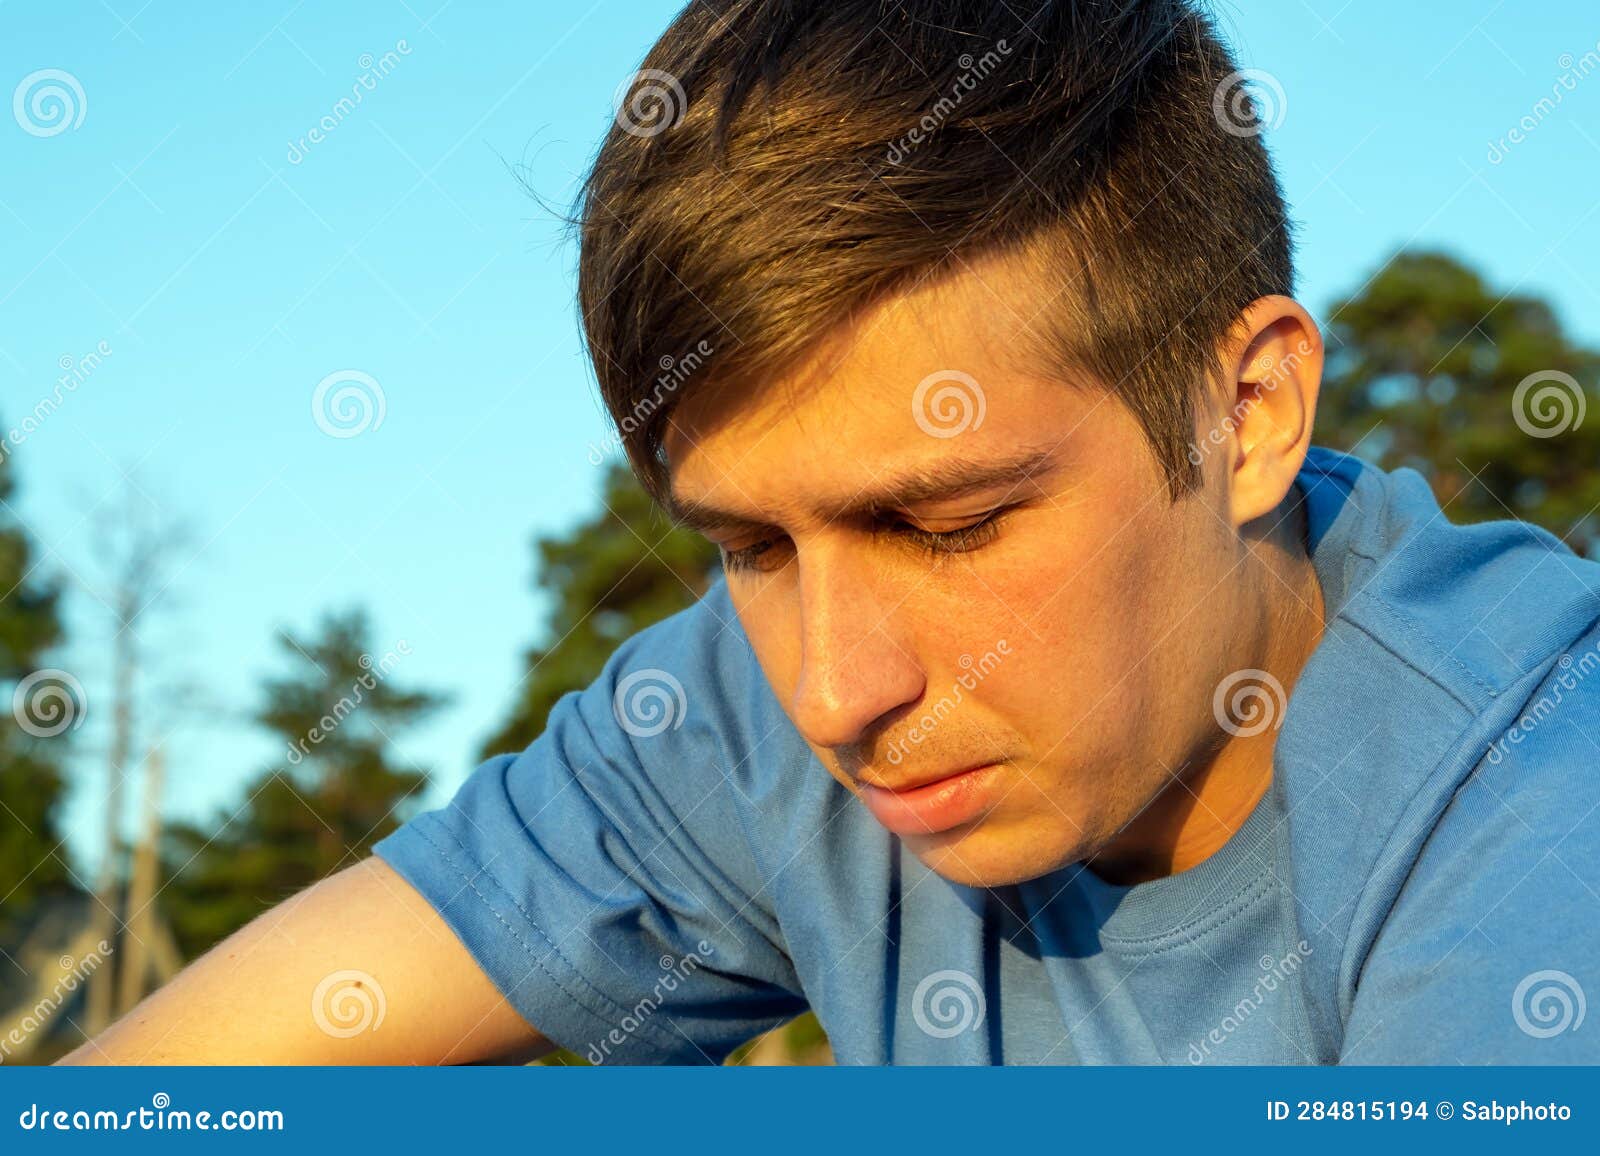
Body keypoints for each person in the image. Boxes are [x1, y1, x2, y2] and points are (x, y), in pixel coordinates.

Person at [62, 0, 1599, 1066]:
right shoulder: (747, 721)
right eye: (753, 550)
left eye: (951, 522)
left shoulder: (1536, 809)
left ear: (1250, 415)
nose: (837, 696)